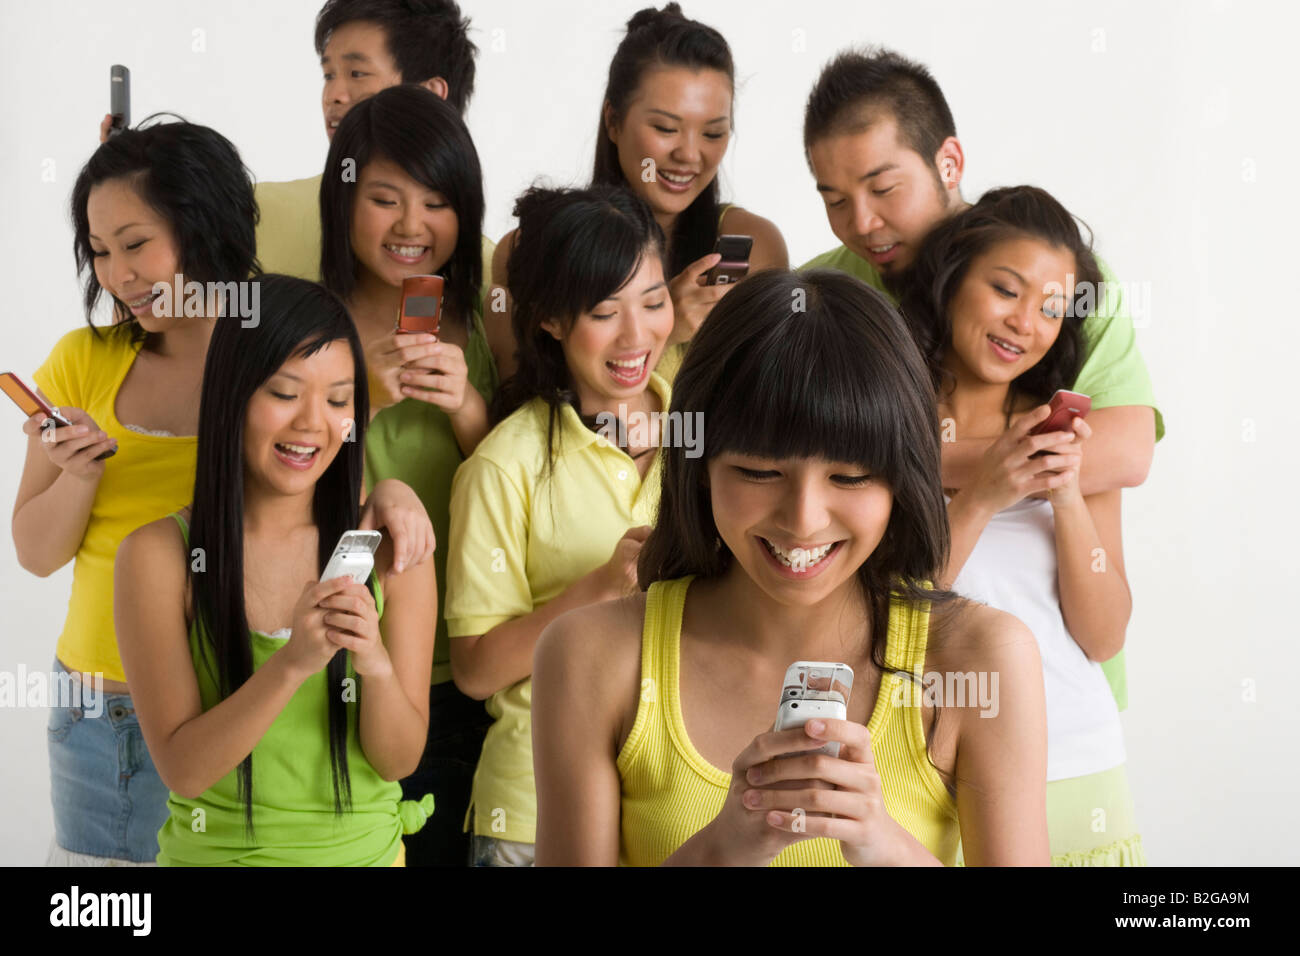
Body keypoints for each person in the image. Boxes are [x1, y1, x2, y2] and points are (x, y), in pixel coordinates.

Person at [532, 268, 1051, 867]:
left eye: (849, 477)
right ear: (699, 468)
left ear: (902, 482)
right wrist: (721, 850)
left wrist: (882, 847)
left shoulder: (979, 657)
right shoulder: (590, 653)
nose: (803, 521)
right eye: (759, 472)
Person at [16, 117, 429, 868]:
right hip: (108, 706)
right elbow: (35, 554)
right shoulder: (87, 362)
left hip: (248, 675)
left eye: (136, 244)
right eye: (101, 252)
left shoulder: (276, 346)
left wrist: (395, 490)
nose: (117, 274)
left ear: (201, 228)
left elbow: (338, 487)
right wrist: (78, 478)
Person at [800, 47, 1164, 707]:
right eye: (835, 200)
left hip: (1065, 700)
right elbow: (804, 457)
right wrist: (995, 470)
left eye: (883, 189)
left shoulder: (1057, 277)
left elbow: (1127, 452)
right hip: (887, 695)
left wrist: (898, 458)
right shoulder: (824, 294)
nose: (862, 223)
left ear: (949, 163)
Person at [115, 275, 436, 866]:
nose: (314, 423)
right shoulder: (158, 557)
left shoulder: (389, 547)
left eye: (339, 400)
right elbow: (184, 769)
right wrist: (291, 666)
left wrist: (375, 666)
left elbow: (398, 761)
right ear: (231, 395)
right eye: (285, 393)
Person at [897, 186, 1145, 865]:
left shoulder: (1069, 440)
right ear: (953, 279)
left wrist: (1064, 495)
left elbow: (1103, 636)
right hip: (924, 772)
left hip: (1075, 766)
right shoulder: (883, 424)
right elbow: (883, 617)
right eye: (1006, 289)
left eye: (1051, 310)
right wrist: (979, 496)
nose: (1024, 323)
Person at [445, 184, 675, 866]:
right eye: (604, 312)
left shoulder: (716, 436)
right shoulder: (503, 465)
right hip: (535, 814)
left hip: (682, 800)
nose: (637, 336)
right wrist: (597, 589)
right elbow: (475, 670)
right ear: (547, 320)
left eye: (654, 301)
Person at [319, 82, 497, 864]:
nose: (411, 227)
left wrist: (465, 408)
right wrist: (360, 400)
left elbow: (524, 477)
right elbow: (271, 479)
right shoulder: (307, 322)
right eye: (384, 199)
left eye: (436, 201)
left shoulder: (487, 313)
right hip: (340, 650)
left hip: (466, 658)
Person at [484, 3, 788, 381]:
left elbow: (769, 414)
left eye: (712, 133)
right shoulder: (530, 248)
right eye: (665, 128)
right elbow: (524, 421)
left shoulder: (753, 244)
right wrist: (662, 326)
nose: (689, 155)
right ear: (613, 120)